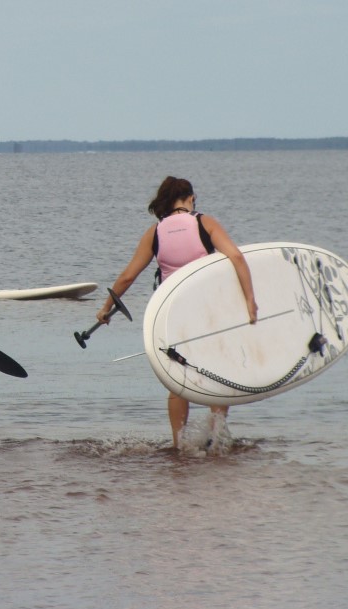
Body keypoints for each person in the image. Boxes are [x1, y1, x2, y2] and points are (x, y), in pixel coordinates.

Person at [97, 176, 258, 449]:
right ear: (190, 198)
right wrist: (249, 300)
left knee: (177, 379)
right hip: (207, 310)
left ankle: (179, 444)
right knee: (217, 370)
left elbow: (127, 277)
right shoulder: (203, 222)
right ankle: (216, 438)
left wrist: (105, 308)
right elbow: (237, 257)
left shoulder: (155, 232)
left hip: (171, 314)